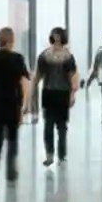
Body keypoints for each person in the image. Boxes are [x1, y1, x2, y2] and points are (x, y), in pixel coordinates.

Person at [0, 27, 31, 189]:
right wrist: (24, 106)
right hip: (12, 104)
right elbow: (24, 83)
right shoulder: (17, 59)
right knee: (13, 139)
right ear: (11, 41)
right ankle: (10, 171)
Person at [33, 27, 79, 166]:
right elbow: (38, 75)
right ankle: (49, 154)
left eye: (59, 35)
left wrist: (72, 94)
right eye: (55, 35)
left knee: (62, 126)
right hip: (48, 93)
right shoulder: (44, 55)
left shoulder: (68, 57)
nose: (57, 38)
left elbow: (72, 76)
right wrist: (32, 89)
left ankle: (62, 153)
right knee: (48, 125)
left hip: (62, 93)